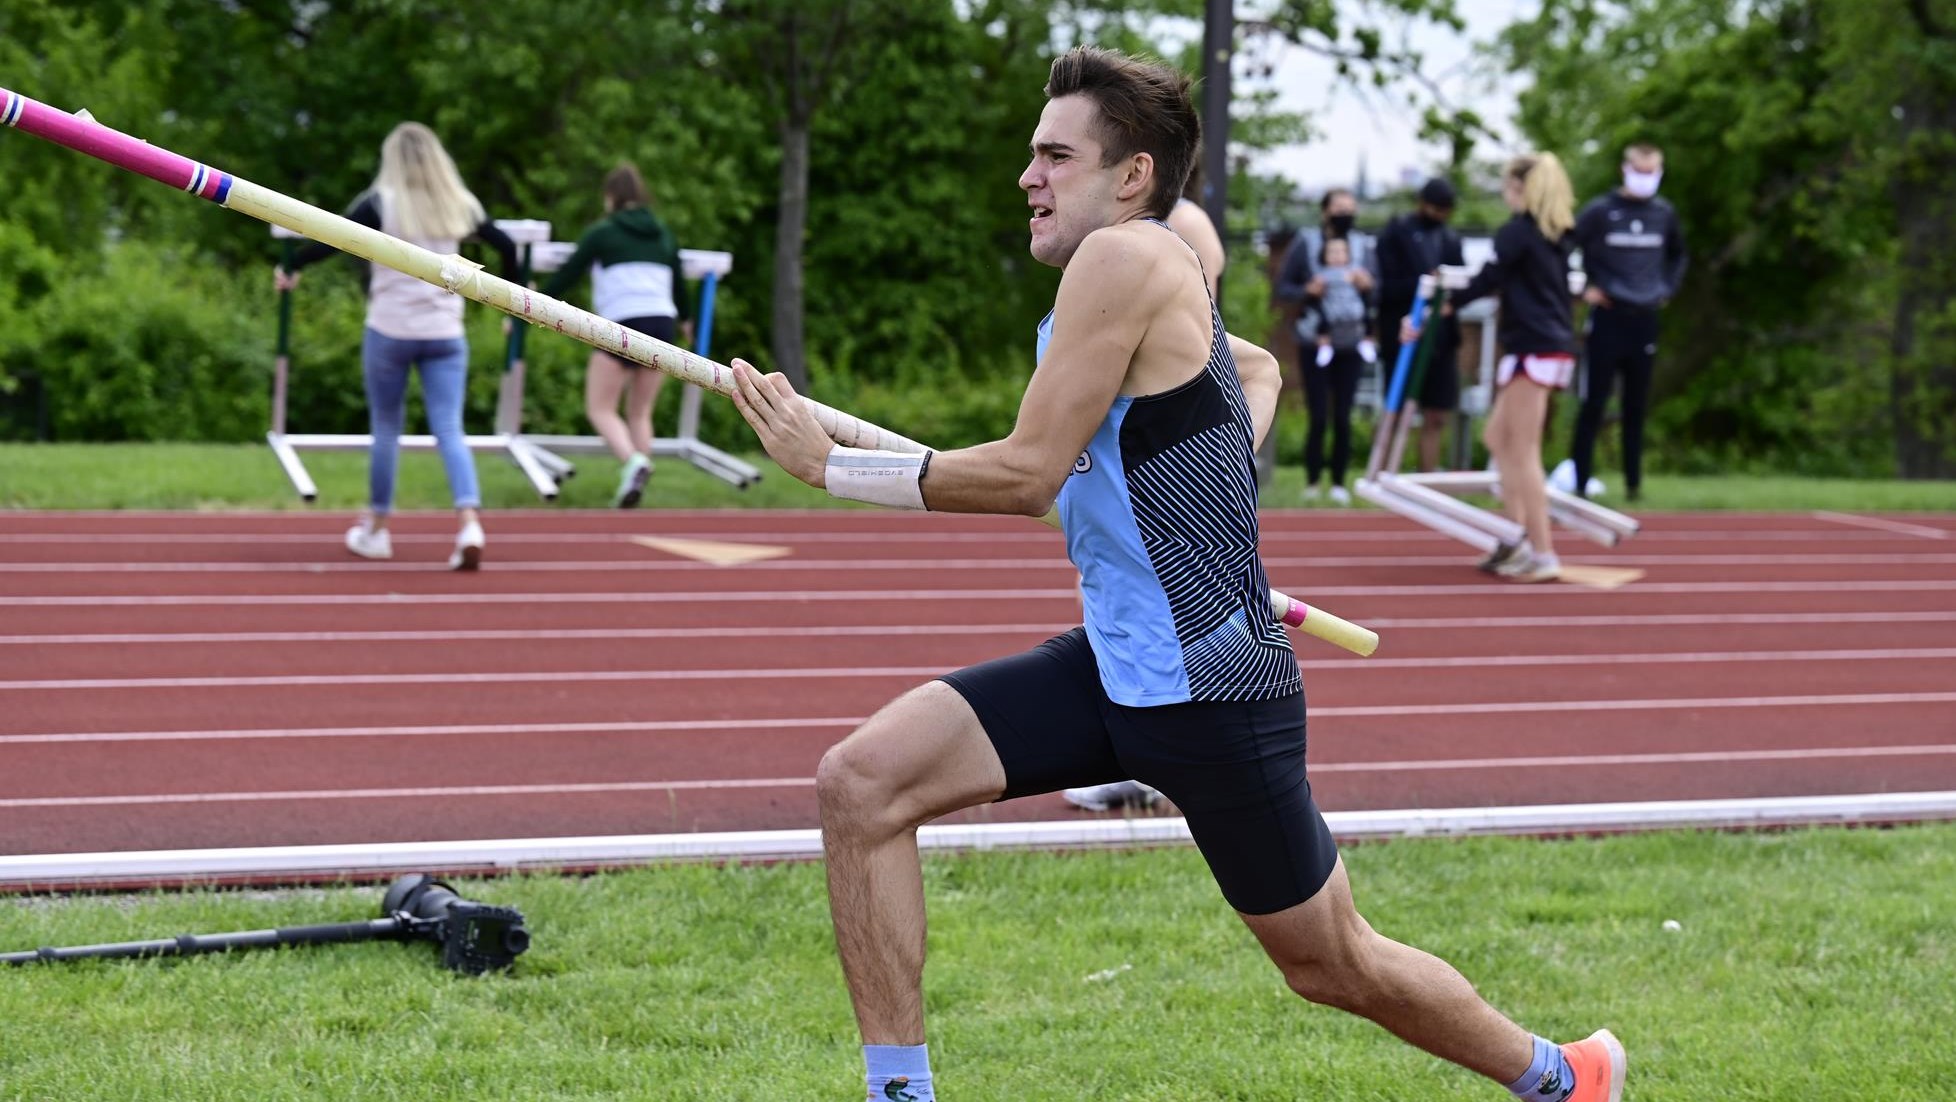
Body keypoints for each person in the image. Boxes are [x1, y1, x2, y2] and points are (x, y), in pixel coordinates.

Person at [731, 47, 1624, 1102]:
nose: (1029, 176)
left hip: (1212, 691)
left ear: (1132, 175)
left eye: (1055, 156)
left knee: (1333, 962)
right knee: (863, 783)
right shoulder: (1151, 275)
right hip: (1120, 663)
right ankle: (899, 1093)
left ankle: (1566, 1077)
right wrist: (1183, 494)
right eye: (1034, 154)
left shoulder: (1125, 261)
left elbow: (1023, 477)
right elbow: (1254, 370)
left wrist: (828, 466)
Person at [275, 122, 516, 569]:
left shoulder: (381, 203)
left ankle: (378, 530)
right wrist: (513, 307)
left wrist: (293, 267)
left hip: (389, 329)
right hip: (445, 332)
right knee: (450, 428)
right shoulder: (460, 204)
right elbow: (507, 247)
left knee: (386, 428)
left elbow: (334, 238)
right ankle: (469, 522)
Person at [1061, 167, 1228, 814]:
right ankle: (1147, 762)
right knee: (1115, 593)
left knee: (1160, 603)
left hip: (1168, 440)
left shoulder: (1177, 228)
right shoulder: (1128, 239)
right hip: (1154, 438)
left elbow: (1207, 341)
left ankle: (1163, 768)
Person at [1411, 153, 1579, 584]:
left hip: (1536, 346)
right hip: (1543, 343)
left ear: (1519, 189)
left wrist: (1448, 304)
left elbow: (1490, 277)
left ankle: (1543, 551)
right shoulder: (1553, 234)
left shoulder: (1519, 233)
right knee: (1497, 439)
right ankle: (1518, 537)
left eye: (1507, 187)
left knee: (1522, 452)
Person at [540, 163, 696, 508]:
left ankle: (634, 463)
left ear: (610, 197)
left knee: (600, 407)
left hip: (622, 324)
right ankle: (636, 481)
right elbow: (679, 280)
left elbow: (570, 272)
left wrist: (532, 301)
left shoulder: (603, 232)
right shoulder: (663, 232)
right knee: (640, 412)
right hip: (663, 322)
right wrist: (687, 318)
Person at [1568, 142, 1687, 503]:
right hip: (1607, 317)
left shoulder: (1664, 213)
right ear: (1626, 169)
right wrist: (1583, 287)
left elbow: (1679, 254)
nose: (1646, 179)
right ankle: (1580, 481)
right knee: (1594, 402)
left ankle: (1634, 484)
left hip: (1645, 318)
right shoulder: (1601, 211)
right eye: (1641, 171)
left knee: (1636, 406)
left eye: (1653, 172)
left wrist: (1667, 288)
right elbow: (1563, 245)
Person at [1375, 177, 1467, 471]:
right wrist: (1423, 284)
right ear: (1423, 203)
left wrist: (1449, 299)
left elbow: (1462, 283)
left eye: (1446, 209)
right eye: (1437, 207)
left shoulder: (1449, 238)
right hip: (1404, 336)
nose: (1441, 214)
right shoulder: (1396, 233)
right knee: (1396, 408)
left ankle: (1426, 474)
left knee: (1437, 412)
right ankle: (1381, 471)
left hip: (1440, 339)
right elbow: (1384, 287)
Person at [1300, 235, 1375, 504]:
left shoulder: (1358, 275)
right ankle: (1312, 480)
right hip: (1322, 343)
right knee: (1318, 417)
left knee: (1343, 418)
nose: (1337, 256)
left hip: (1350, 347)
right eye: (1331, 251)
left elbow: (1372, 300)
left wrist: (1368, 286)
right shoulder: (1319, 277)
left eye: (1341, 251)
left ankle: (1339, 482)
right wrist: (1309, 291)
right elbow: (1302, 301)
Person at [1274, 186, 1377, 366]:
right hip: (1313, 338)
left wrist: (1367, 285)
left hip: (1352, 338)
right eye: (1339, 209)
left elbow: (1377, 290)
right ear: (1325, 212)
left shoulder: (1363, 245)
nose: (1345, 214)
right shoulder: (1306, 242)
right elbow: (1283, 288)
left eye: (1349, 210)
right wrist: (1307, 290)